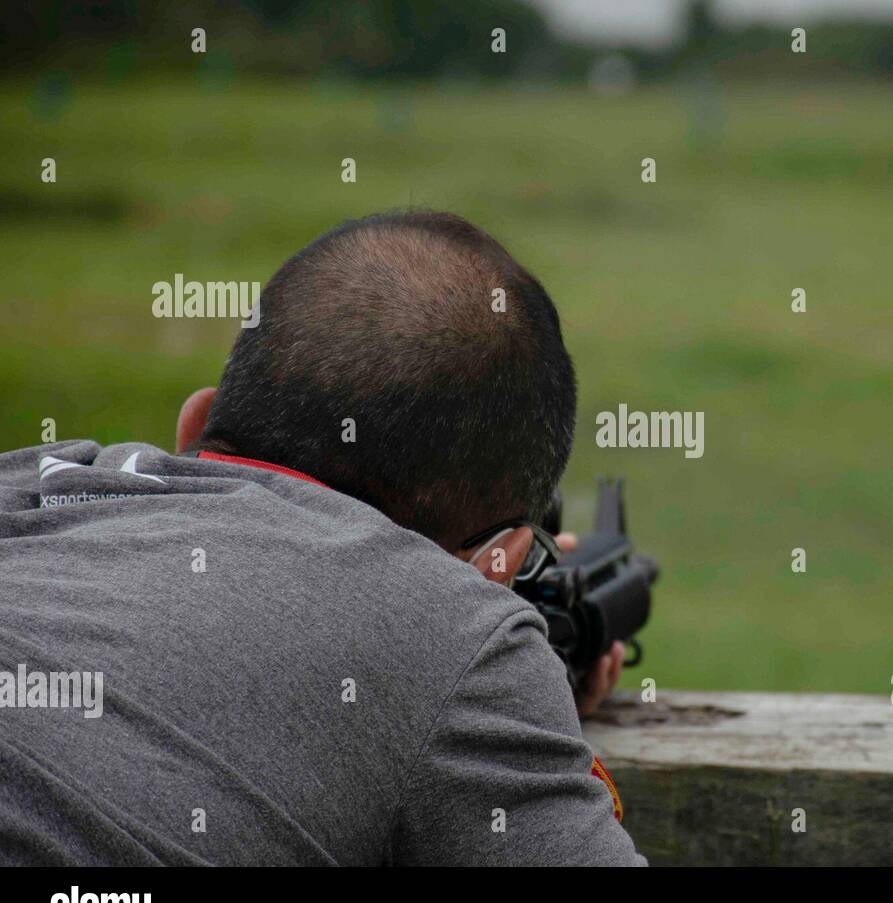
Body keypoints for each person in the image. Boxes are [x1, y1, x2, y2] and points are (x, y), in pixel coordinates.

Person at [0, 210, 646, 866]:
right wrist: (504, 711)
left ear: (196, 421)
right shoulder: (455, 634)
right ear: (499, 564)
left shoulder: (23, 485)